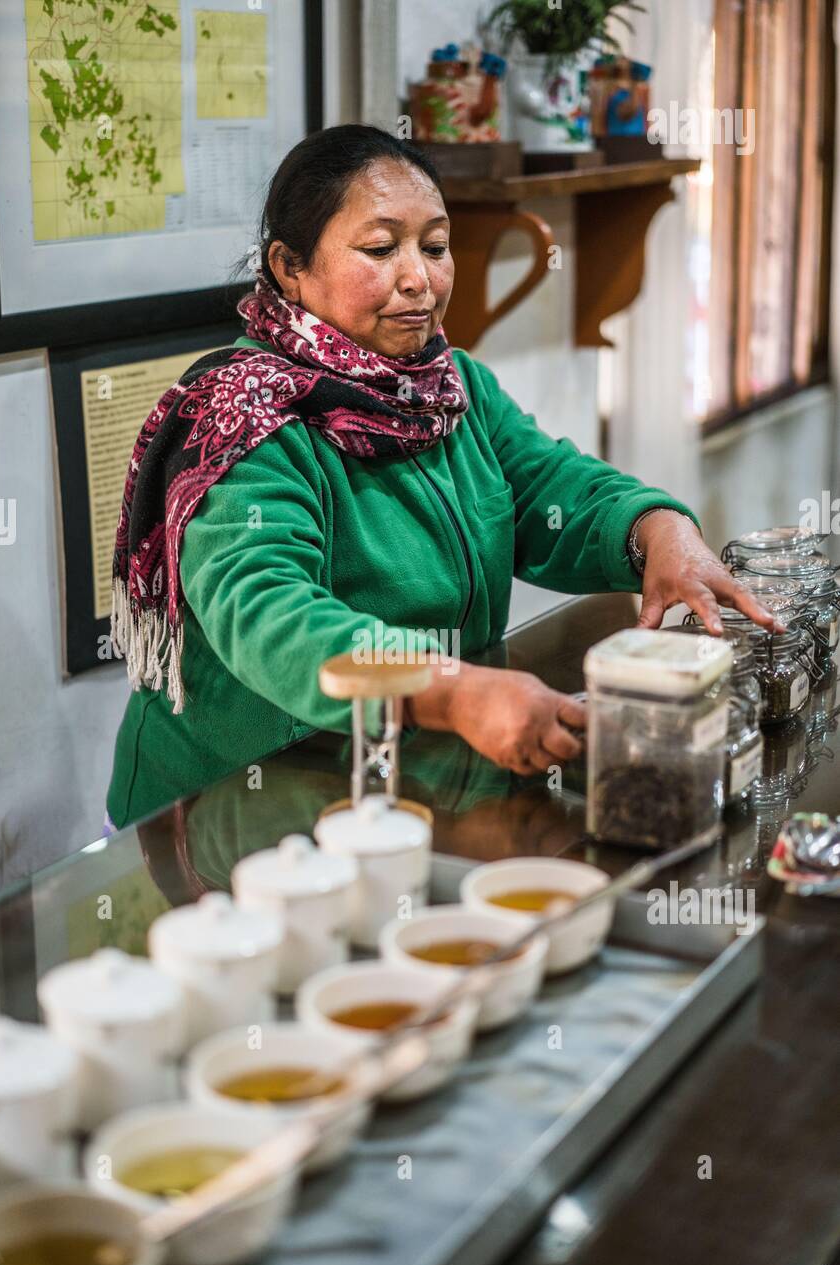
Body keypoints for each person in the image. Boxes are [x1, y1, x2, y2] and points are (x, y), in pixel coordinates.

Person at [106, 124, 779, 830]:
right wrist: (453, 692)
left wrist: (656, 529)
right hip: (235, 812)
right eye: (379, 249)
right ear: (289, 267)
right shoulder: (243, 419)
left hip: (402, 786)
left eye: (433, 247)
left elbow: (550, 487)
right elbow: (270, 617)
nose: (419, 280)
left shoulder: (450, 388)